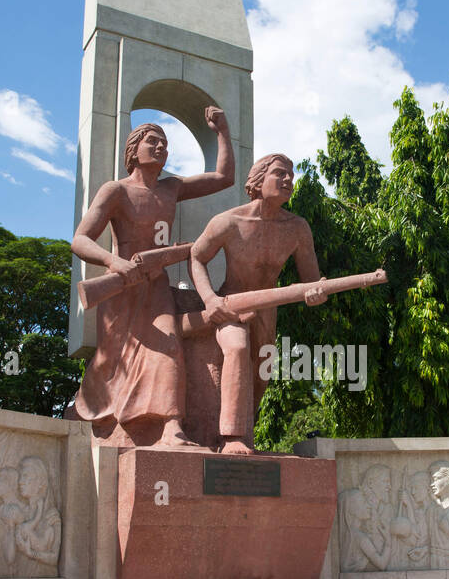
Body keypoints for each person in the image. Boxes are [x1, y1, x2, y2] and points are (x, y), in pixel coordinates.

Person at [70, 107, 234, 446]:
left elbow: (224, 177)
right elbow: (80, 240)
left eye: (164, 143)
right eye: (152, 141)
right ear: (134, 149)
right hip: (121, 290)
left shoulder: (172, 188)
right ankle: (97, 410)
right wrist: (114, 263)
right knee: (110, 361)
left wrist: (222, 131)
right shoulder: (115, 191)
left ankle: (171, 425)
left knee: (169, 347)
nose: (161, 147)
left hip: (157, 286)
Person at [189, 153, 325, 453]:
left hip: (267, 312)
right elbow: (196, 257)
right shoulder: (228, 221)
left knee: (261, 376)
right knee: (237, 349)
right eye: (280, 174)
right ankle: (231, 438)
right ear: (258, 180)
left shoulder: (298, 228)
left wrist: (316, 294)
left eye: (291, 175)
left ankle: (243, 436)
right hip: (230, 306)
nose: (289, 180)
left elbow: (312, 281)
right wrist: (211, 301)